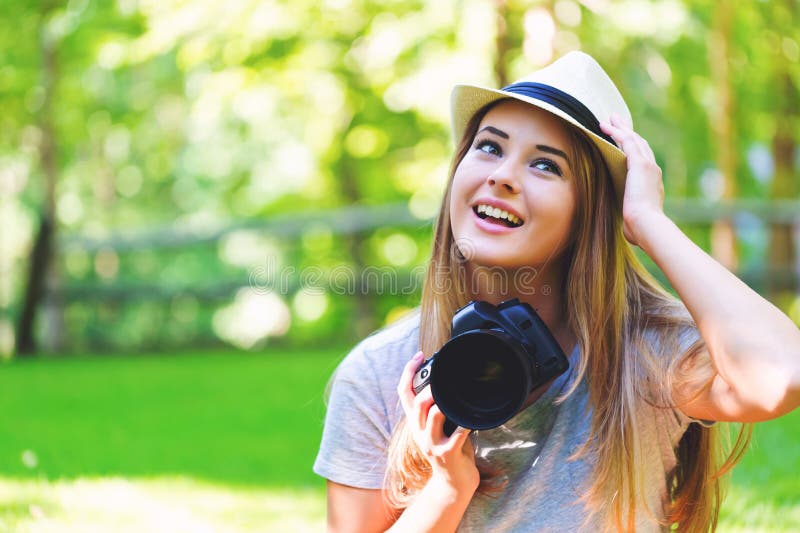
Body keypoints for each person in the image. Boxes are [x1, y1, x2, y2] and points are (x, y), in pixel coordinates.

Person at [313, 51, 800, 532]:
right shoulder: (378, 373)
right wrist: (446, 488)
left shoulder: (647, 358)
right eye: (489, 147)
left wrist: (649, 221)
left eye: (545, 165)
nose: (502, 175)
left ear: (588, 213)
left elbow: (782, 376)